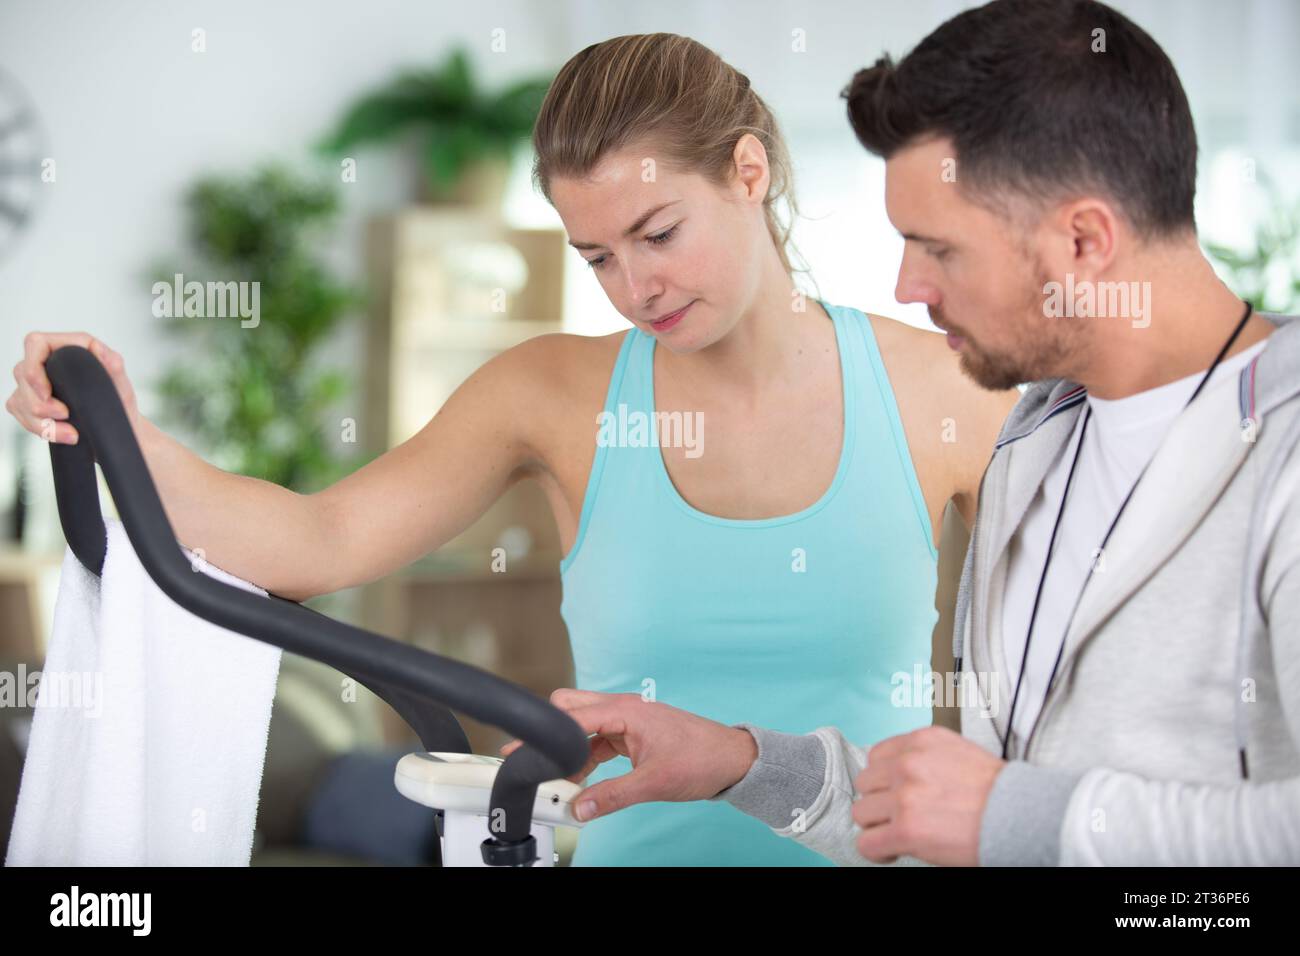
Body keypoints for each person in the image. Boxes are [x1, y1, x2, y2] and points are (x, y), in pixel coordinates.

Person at [5, 35, 1016, 865]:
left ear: (747, 171)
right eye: (597, 257)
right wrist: (121, 435)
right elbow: (316, 538)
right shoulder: (548, 390)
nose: (635, 288)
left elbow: (1053, 703)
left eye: (657, 232)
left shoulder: (945, 386)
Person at [511, 0, 1300, 866]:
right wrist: (739, 762)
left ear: (1084, 238)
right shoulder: (1035, 446)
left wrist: (1014, 816)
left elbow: (1010, 813)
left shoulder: (1281, 454)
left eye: (940, 250)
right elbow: (961, 809)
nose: (906, 286)